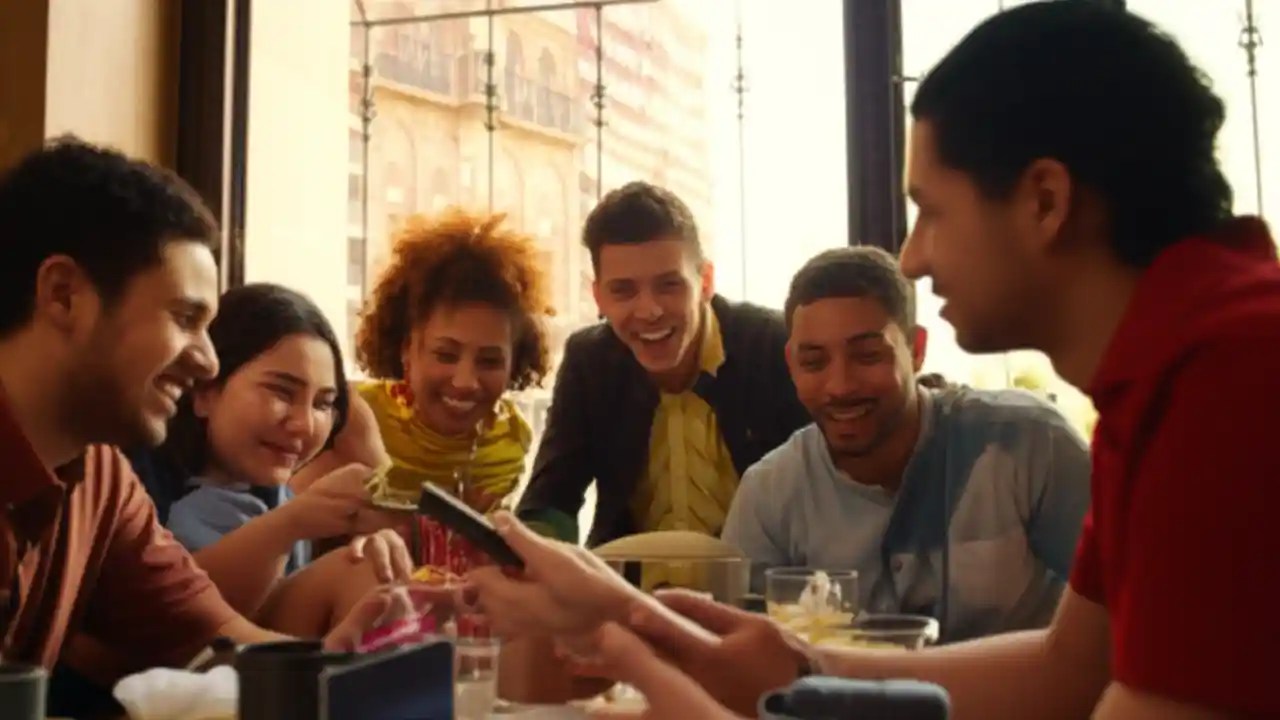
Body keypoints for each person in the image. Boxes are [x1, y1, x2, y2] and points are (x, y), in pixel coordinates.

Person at [467, 3, 1280, 719]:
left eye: (929, 209)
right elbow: (1066, 670)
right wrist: (784, 665)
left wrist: (657, 666)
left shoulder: (1230, 384)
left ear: (1044, 202)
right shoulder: (1169, 378)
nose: (913, 257)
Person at [0, 137, 428, 696]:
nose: (207, 362)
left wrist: (335, 672)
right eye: (184, 318)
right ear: (63, 296)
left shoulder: (101, 481)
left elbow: (209, 640)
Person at [724, 246, 1089, 641]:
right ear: (791, 364)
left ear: (916, 349)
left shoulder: (1030, 446)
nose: (840, 385)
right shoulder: (770, 493)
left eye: (867, 356)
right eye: (814, 363)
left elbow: (1132, 618)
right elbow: (742, 655)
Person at [258, 208, 552, 636]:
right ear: (406, 351)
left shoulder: (508, 440)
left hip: (442, 631)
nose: (466, 382)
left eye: (490, 361)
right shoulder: (349, 417)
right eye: (445, 355)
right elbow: (289, 529)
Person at [516, 181, 810, 548]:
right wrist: (531, 554)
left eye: (669, 285)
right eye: (623, 290)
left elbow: (822, 492)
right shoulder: (589, 361)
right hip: (629, 594)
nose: (649, 311)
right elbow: (552, 499)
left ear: (705, 282)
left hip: (755, 594)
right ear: (599, 296)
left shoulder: (773, 345)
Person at [155, 282, 410, 613]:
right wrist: (293, 523)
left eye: (323, 404)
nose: (304, 424)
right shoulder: (176, 515)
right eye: (281, 392)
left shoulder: (281, 499)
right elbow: (183, 618)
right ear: (205, 393)